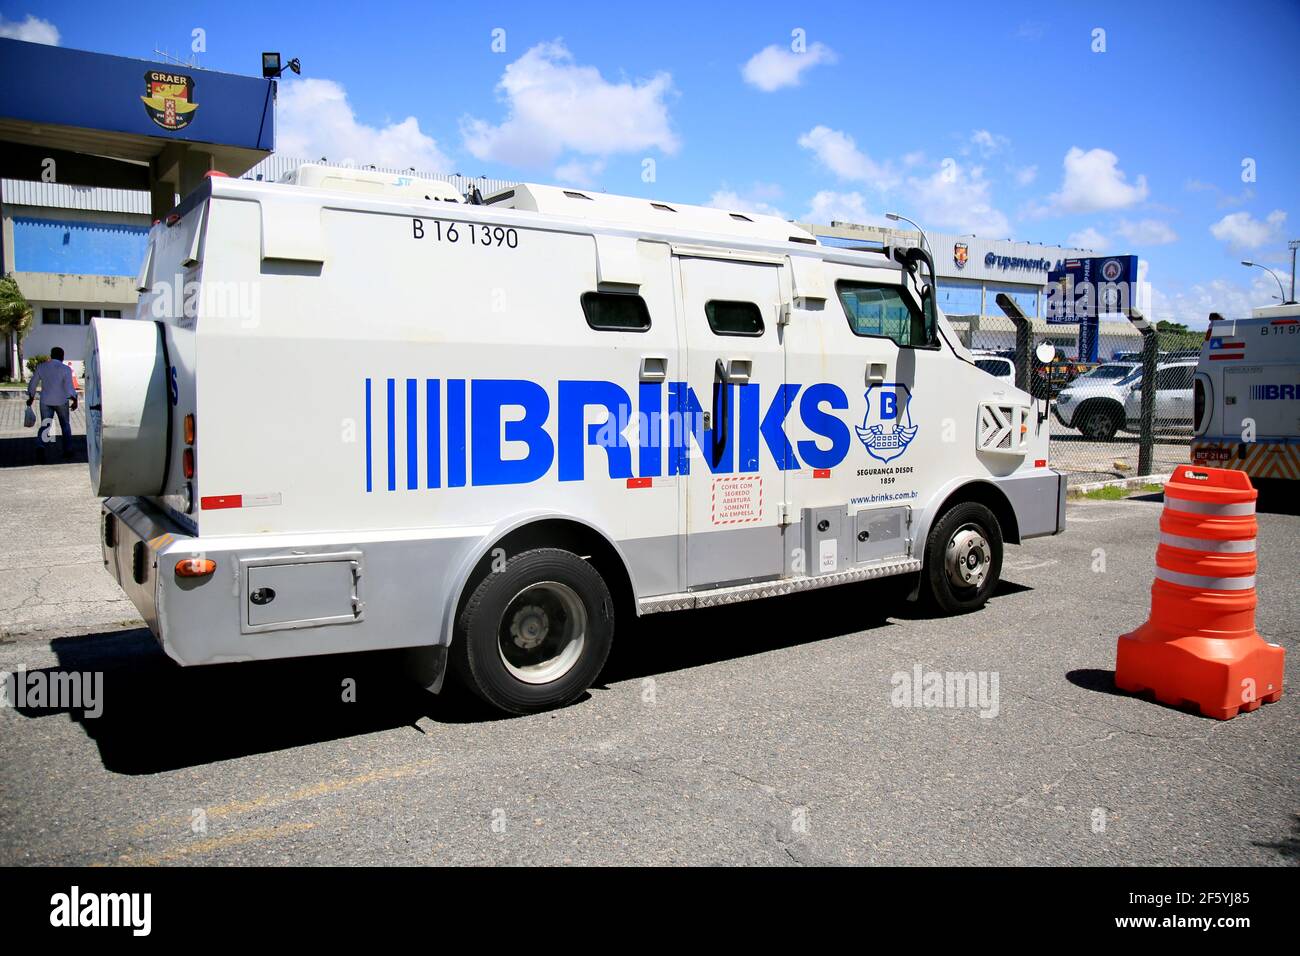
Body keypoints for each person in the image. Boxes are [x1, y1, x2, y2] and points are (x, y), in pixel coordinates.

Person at [25, 347, 78, 460]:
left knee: (46, 425)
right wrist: (75, 399)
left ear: (51, 355)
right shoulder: (65, 369)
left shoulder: (42, 367)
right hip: (61, 401)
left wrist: (31, 396)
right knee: (65, 425)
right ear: (62, 356)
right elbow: (69, 387)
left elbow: (33, 383)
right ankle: (68, 450)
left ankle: (41, 445)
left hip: (45, 401)